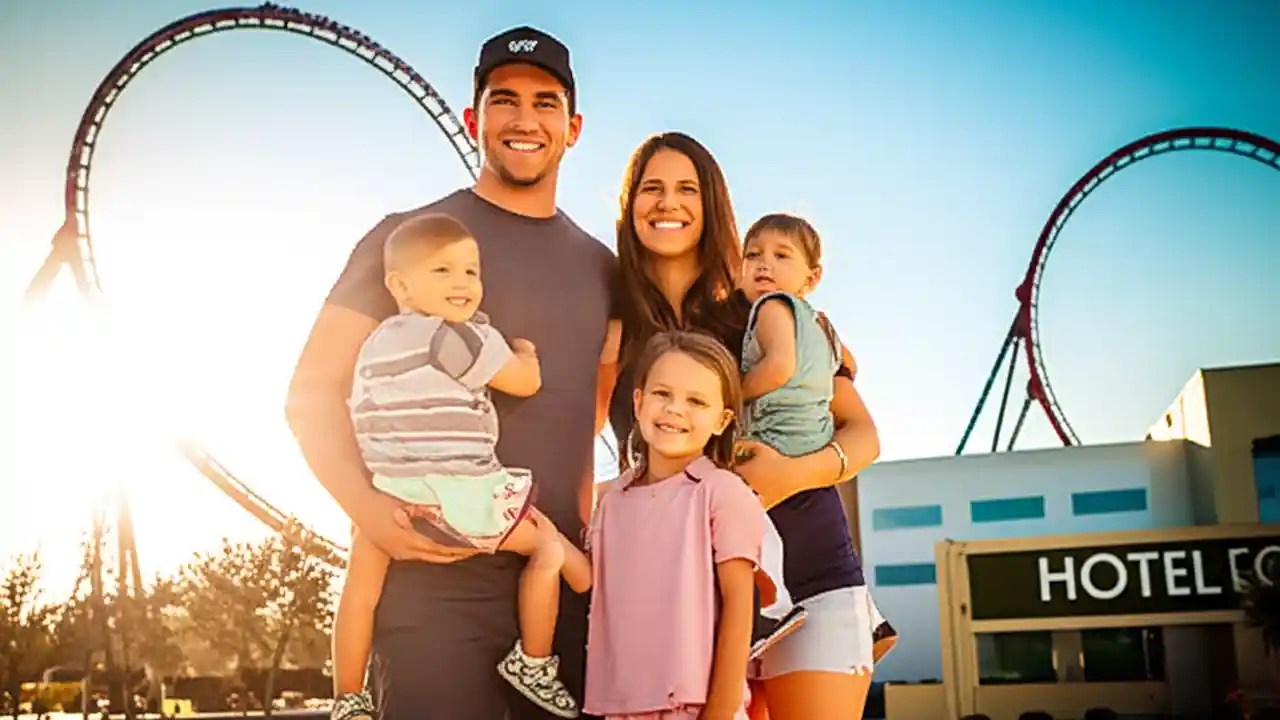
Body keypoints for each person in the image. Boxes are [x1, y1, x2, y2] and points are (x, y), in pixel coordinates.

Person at [287, 25, 614, 719]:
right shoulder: (405, 242)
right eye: (504, 100)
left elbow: (594, 424)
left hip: (552, 603)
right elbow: (311, 393)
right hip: (425, 592)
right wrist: (366, 509)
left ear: (574, 126)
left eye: (546, 103)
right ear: (473, 119)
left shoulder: (601, 269)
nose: (525, 120)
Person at [596, 132, 883, 720]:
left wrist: (789, 474)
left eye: (686, 189)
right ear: (629, 205)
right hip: (681, 601)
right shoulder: (613, 325)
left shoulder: (763, 314)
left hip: (805, 570)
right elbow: (587, 447)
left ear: (713, 207)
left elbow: (863, 435)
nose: (668, 203)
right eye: (651, 188)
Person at [330, 213, 591, 720]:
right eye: (444, 271)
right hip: (462, 497)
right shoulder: (457, 337)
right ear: (401, 286)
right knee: (547, 548)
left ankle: (347, 695)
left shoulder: (376, 344)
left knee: (359, 591)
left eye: (471, 272)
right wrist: (524, 352)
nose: (463, 284)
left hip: (391, 494)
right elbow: (523, 382)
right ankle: (536, 660)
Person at [585, 330, 763, 720]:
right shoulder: (611, 500)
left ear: (722, 420)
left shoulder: (722, 492)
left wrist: (717, 713)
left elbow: (738, 608)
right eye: (662, 394)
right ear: (638, 401)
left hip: (696, 708)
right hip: (616, 708)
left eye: (696, 401)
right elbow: (592, 584)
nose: (674, 409)